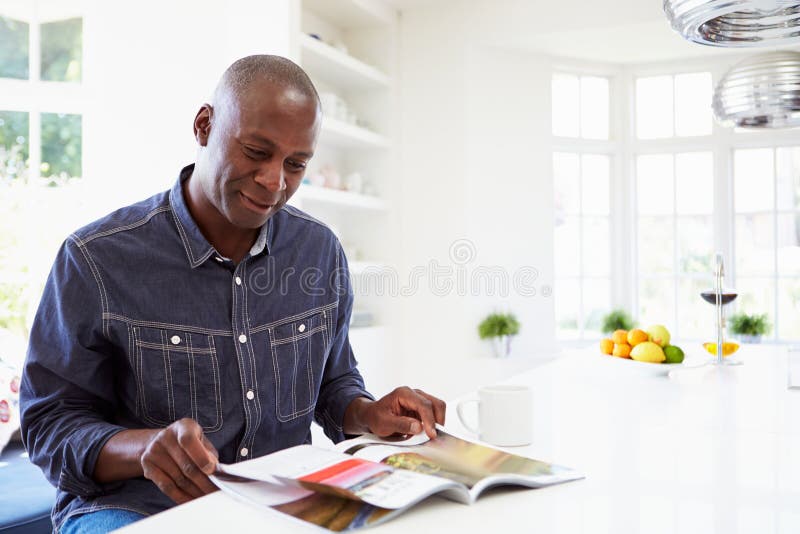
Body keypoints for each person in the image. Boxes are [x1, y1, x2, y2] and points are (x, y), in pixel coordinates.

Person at [19, 55, 446, 533]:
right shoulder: (96, 258)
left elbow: (332, 384)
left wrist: (367, 413)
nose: (274, 182)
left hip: (279, 510)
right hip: (136, 509)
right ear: (204, 125)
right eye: (256, 152)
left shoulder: (318, 251)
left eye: (296, 164)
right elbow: (49, 424)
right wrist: (144, 449)